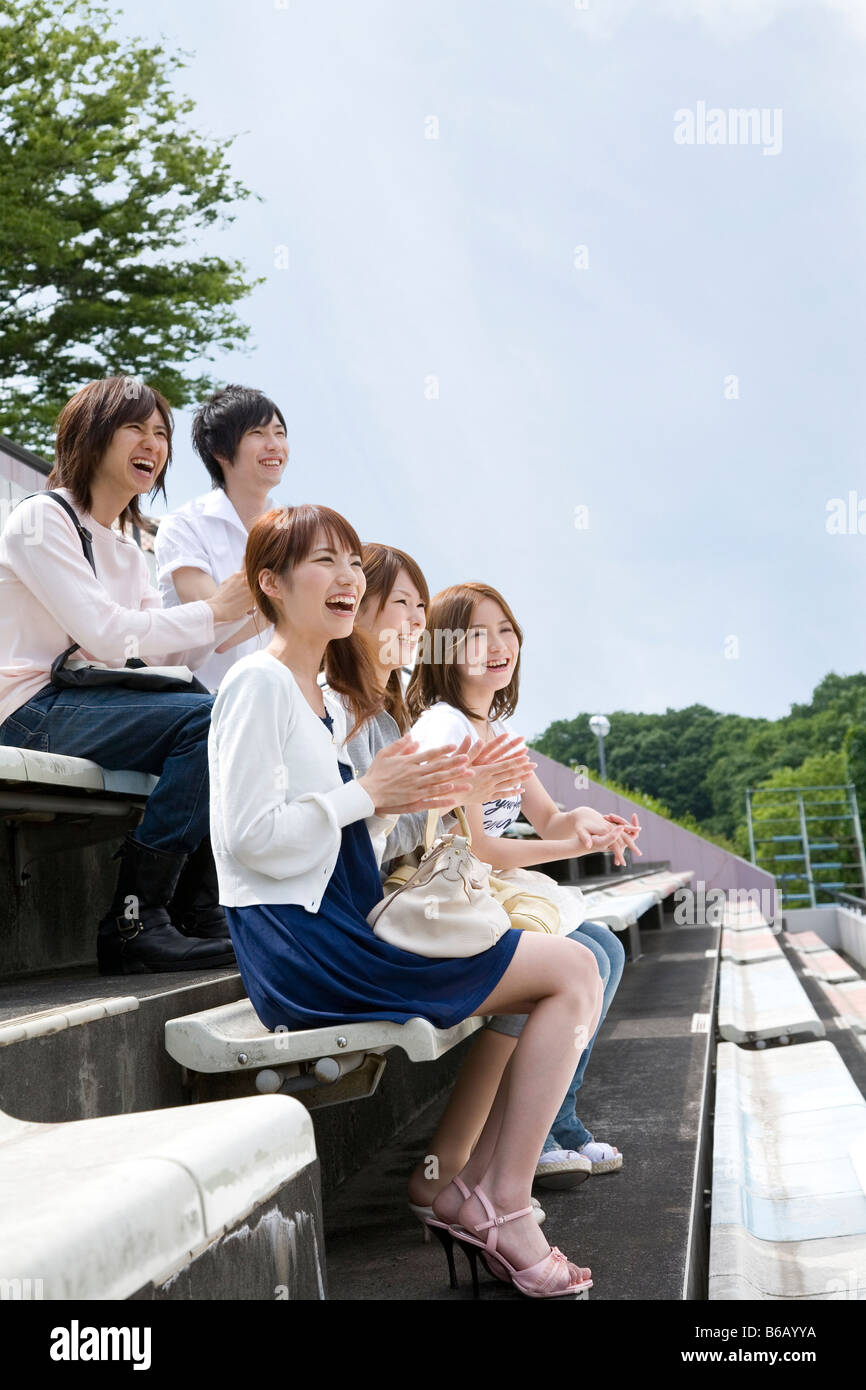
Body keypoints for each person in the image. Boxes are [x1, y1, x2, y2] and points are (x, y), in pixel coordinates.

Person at [209, 505, 605, 1297]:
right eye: (324, 562)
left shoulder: (311, 695)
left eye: (354, 563)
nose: (349, 578)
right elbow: (247, 839)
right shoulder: (258, 683)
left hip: (341, 926)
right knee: (571, 971)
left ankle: (489, 1193)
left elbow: (348, 829)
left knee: (571, 967)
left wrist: (415, 796)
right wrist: (370, 794)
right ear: (270, 583)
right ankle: (497, 1201)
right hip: (306, 947)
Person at [0, 376, 253, 974]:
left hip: (79, 705)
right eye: (135, 428)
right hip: (26, 711)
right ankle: (135, 920)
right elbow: (108, 635)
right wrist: (216, 607)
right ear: (90, 436)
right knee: (212, 718)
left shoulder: (124, 548)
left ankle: (200, 911)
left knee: (235, 709)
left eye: (161, 433)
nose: (153, 444)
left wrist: (251, 609)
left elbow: (156, 659)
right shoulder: (41, 519)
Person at [405, 582, 638, 1205]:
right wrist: (567, 849)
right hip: (447, 899)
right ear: (446, 649)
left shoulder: (500, 731)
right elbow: (475, 846)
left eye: (507, 631)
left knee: (606, 950)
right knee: (587, 956)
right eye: (479, 634)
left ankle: (557, 1122)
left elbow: (550, 817)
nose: (499, 646)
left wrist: (587, 823)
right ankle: (536, 1142)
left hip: (489, 894)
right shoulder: (443, 727)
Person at [154, 384, 289, 692]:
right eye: (258, 434)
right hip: (197, 704)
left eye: (279, 433)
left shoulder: (296, 531)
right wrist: (290, 602)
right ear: (220, 452)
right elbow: (216, 630)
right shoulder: (184, 525)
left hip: (277, 699)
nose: (274, 445)